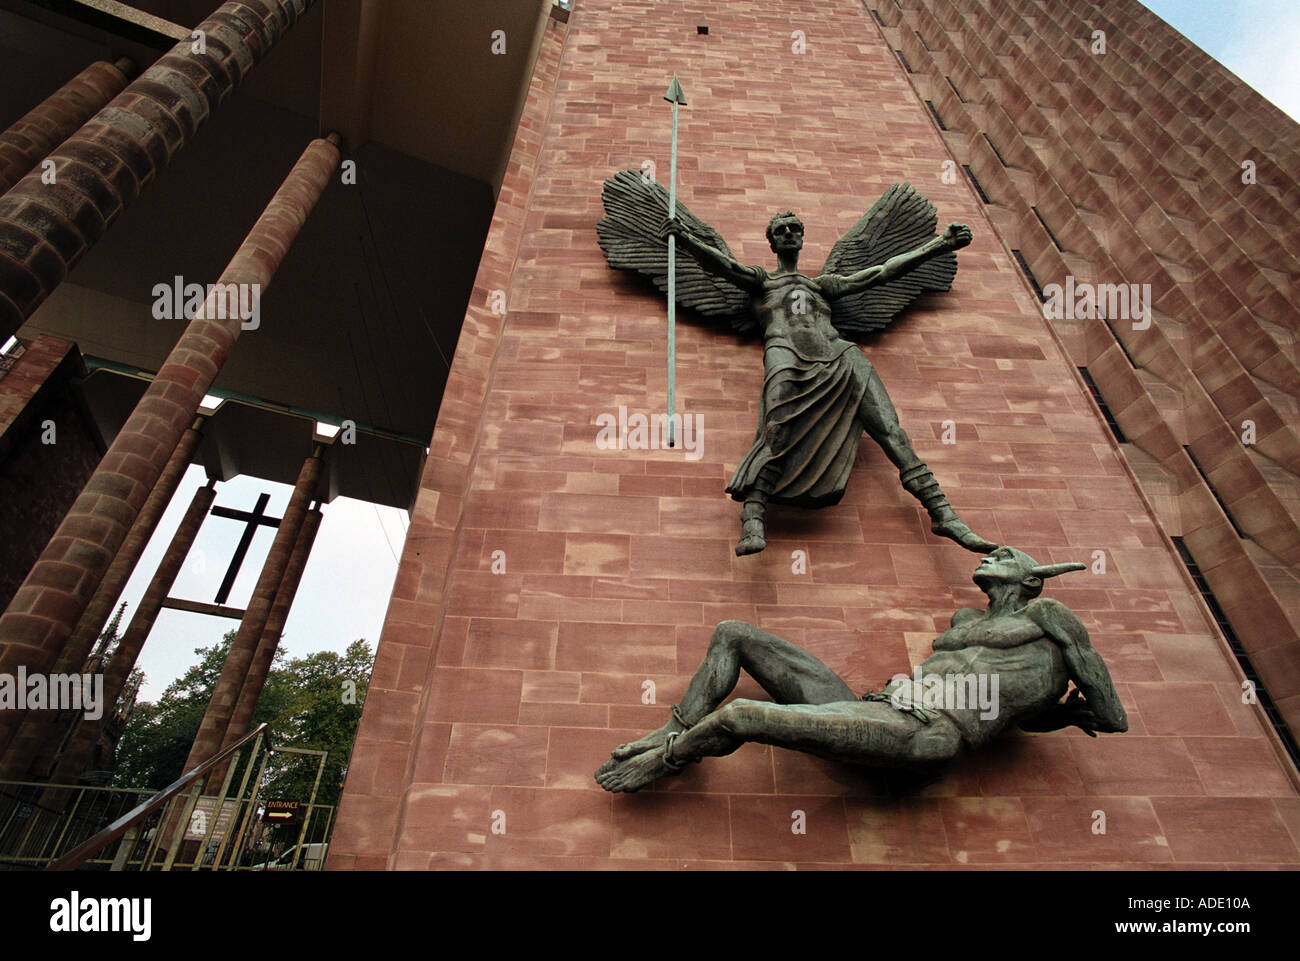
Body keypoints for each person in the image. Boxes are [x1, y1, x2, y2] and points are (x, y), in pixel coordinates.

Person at [595, 546, 1126, 793]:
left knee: (744, 717)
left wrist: (1076, 712)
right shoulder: (965, 620)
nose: (990, 555)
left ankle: (663, 762)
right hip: (881, 710)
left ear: (1032, 581)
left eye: (1004, 555)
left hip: (929, 733)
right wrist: (1052, 714)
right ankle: (676, 728)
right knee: (734, 633)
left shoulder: (1051, 616)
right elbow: (1012, 705)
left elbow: (1110, 714)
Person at [663, 212, 996, 556]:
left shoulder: (823, 286)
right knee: (775, 431)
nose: (789, 233)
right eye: (781, 230)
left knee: (890, 429)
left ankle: (942, 512)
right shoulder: (762, 281)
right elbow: (725, 268)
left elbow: (883, 272)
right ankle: (753, 517)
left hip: (840, 354)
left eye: (795, 229)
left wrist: (939, 245)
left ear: (802, 239)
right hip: (786, 354)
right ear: (772, 241)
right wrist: (686, 240)